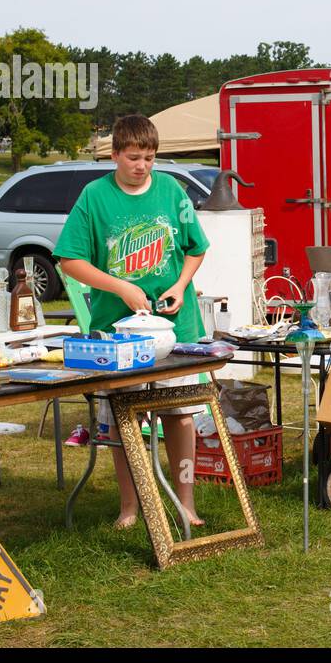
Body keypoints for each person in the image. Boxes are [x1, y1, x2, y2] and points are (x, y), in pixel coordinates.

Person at [55, 115, 211, 528]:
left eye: (150, 158)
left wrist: (180, 284)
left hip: (178, 327)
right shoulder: (94, 196)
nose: (143, 165)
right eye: (134, 157)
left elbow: (196, 248)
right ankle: (130, 505)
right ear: (115, 155)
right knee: (122, 419)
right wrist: (121, 287)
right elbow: (69, 260)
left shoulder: (171, 190)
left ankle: (185, 502)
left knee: (180, 415)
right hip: (117, 332)